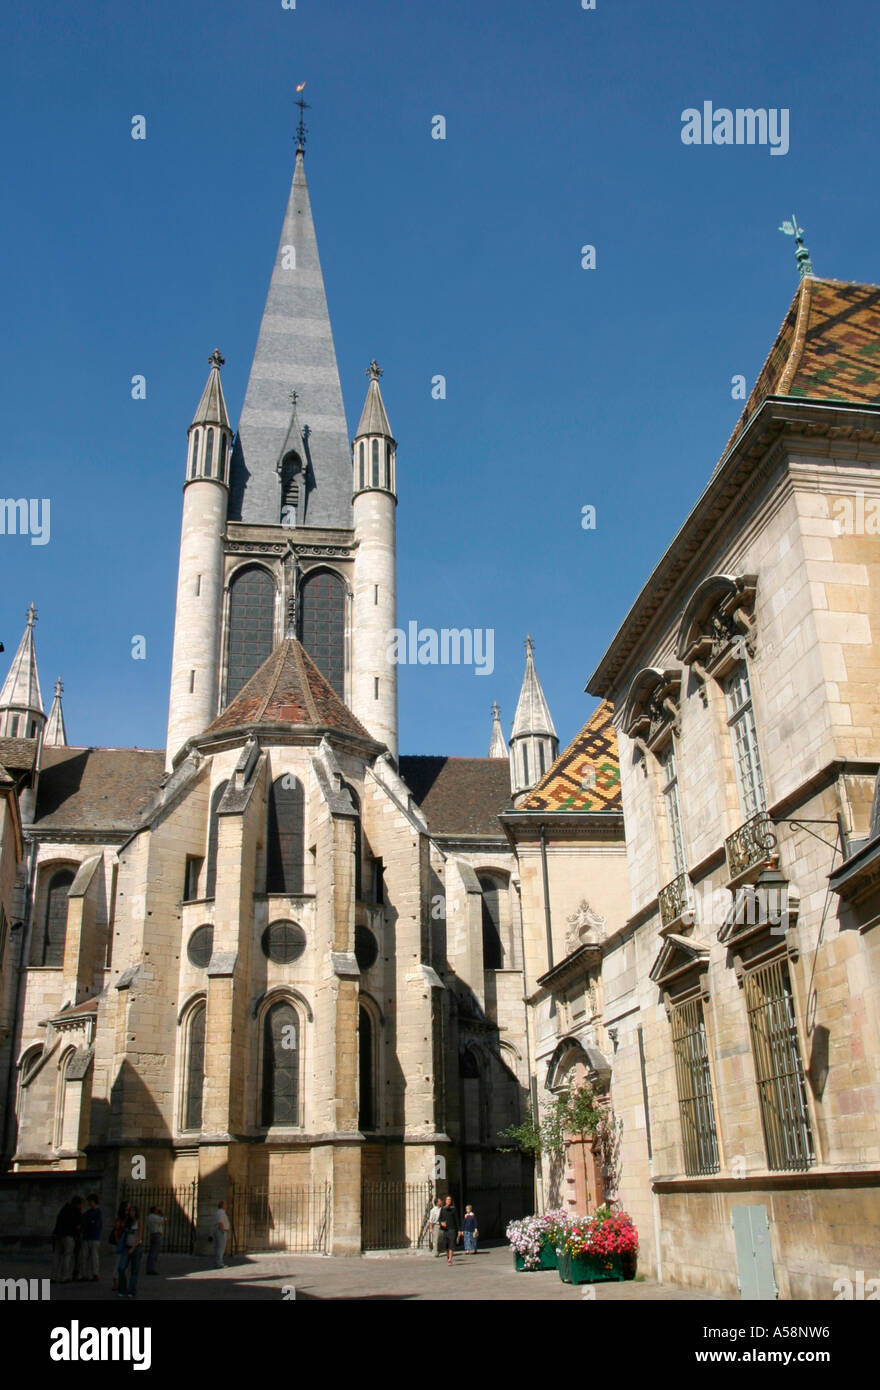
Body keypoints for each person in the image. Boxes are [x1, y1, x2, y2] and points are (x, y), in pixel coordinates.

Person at [52, 1196, 83, 1283]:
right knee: (67, 1256)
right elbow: (78, 1226)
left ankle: (54, 1276)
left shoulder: (64, 1209)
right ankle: (64, 1276)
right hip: (69, 1236)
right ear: (78, 1204)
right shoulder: (76, 1211)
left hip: (58, 1234)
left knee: (57, 1255)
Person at [117, 1205, 143, 1298]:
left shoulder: (139, 1222)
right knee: (121, 1268)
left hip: (136, 1248)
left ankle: (132, 1291)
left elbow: (140, 1237)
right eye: (130, 1211)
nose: (131, 1213)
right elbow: (120, 1228)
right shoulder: (127, 1221)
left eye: (133, 1211)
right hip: (126, 1247)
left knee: (134, 1271)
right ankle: (122, 1289)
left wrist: (134, 1247)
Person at [80, 1194, 103, 1281]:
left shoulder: (98, 1212)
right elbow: (84, 1222)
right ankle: (85, 1274)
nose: (90, 1203)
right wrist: (90, 1222)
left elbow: (96, 1224)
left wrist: (89, 1223)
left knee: (94, 1257)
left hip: (94, 1237)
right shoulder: (88, 1212)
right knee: (85, 1257)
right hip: (87, 1236)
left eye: (91, 1201)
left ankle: (95, 1274)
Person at [438, 1194, 461, 1266]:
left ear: (451, 1201)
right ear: (445, 1201)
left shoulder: (453, 1209)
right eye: (447, 1199)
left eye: (450, 1200)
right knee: (445, 1245)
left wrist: (459, 1230)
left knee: (451, 1244)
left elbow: (457, 1220)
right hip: (445, 1230)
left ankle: (450, 1259)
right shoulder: (443, 1209)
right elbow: (440, 1219)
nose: (448, 1201)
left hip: (452, 1229)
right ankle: (448, 1255)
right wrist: (441, 1223)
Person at [110, 1201, 128, 1291]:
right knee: (118, 1263)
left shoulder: (127, 1219)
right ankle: (116, 1282)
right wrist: (118, 1242)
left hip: (127, 1244)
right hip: (121, 1243)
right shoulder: (120, 1220)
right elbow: (116, 1231)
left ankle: (121, 1282)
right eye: (127, 1209)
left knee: (124, 1264)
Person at [146, 1205, 165, 1275]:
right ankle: (151, 1269)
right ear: (154, 1210)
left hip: (152, 1234)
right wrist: (162, 1213)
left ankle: (149, 1268)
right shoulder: (156, 1217)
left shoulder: (149, 1217)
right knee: (154, 1253)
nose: (158, 1211)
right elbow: (164, 1219)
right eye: (157, 1210)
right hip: (157, 1235)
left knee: (151, 1252)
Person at [213, 1200, 231, 1268]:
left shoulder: (219, 1212)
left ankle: (218, 1262)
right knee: (221, 1248)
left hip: (219, 1231)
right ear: (222, 1206)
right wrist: (223, 1231)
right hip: (221, 1231)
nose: (226, 1206)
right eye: (225, 1205)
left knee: (218, 1247)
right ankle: (219, 1263)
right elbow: (220, 1223)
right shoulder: (221, 1213)